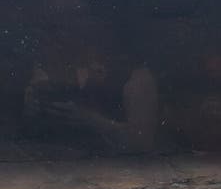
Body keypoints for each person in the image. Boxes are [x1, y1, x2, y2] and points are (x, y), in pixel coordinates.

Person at [23, 59, 159, 155]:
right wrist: (33, 105)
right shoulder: (84, 74)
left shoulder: (138, 80)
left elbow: (142, 141)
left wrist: (92, 120)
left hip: (125, 167)